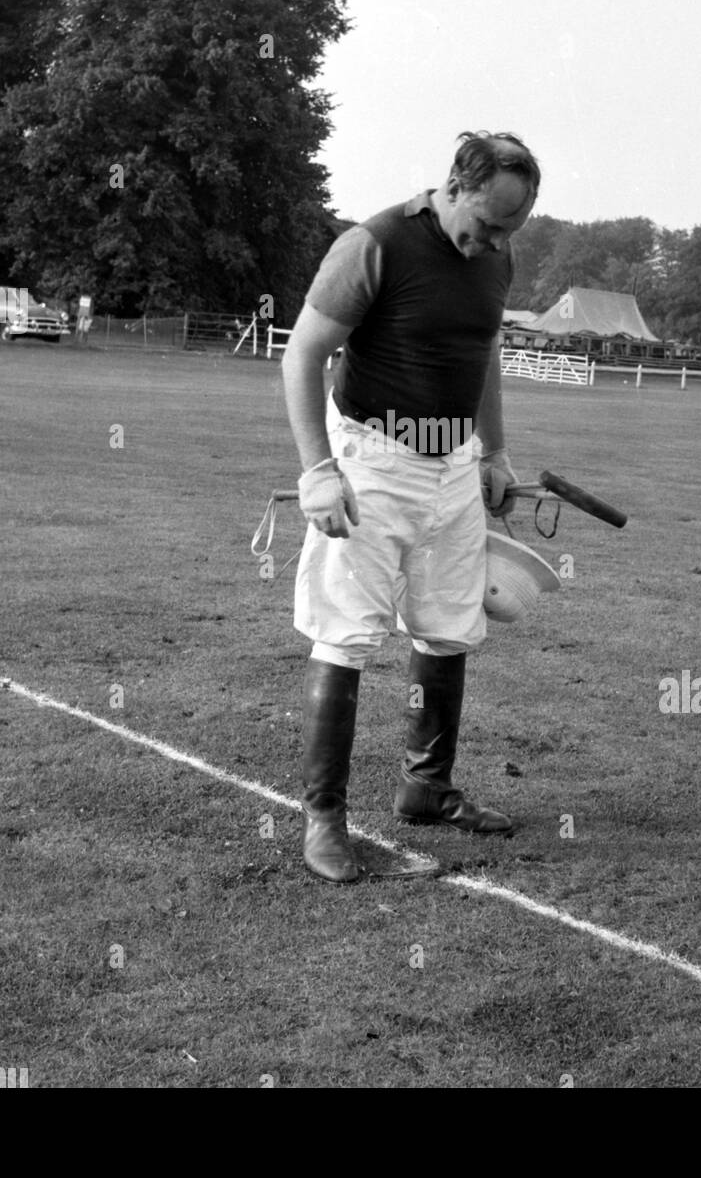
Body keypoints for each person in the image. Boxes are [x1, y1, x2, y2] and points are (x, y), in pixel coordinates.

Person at [281, 130, 540, 882]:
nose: (492, 241)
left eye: (509, 229)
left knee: (450, 626)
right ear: (455, 184)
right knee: (347, 633)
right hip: (371, 459)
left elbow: (485, 350)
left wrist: (493, 451)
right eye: (487, 222)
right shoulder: (375, 244)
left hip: (453, 464)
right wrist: (317, 472)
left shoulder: (497, 258)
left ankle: (425, 788)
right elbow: (302, 356)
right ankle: (324, 818)